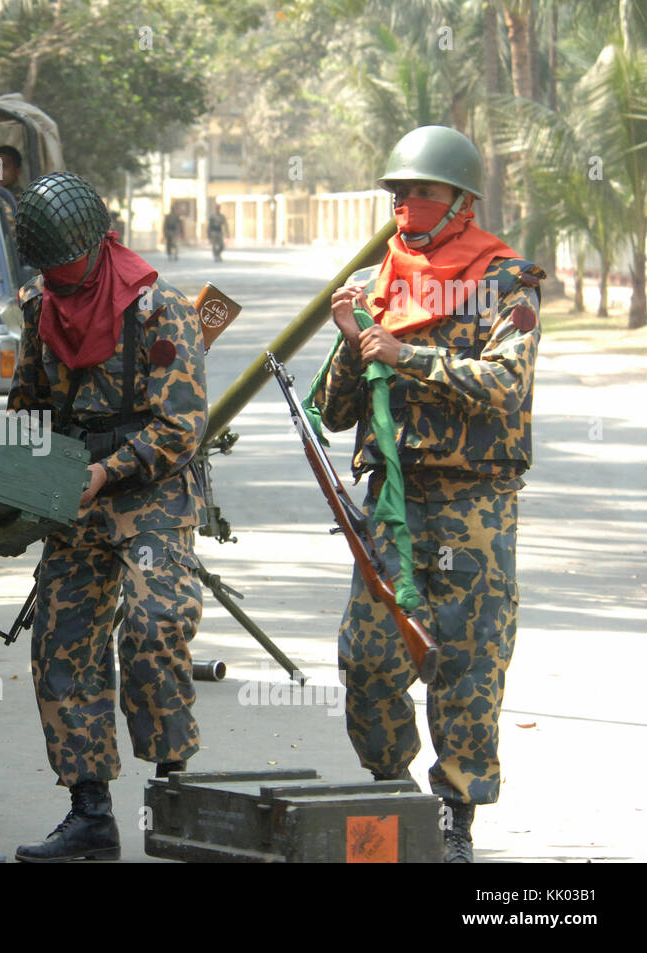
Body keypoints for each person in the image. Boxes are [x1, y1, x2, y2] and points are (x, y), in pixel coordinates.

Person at [312, 125, 544, 863]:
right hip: (394, 505)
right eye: (400, 192)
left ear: (460, 201)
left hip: (474, 505)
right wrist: (354, 335)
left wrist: (408, 353)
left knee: (468, 665)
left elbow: (506, 386)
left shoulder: (505, 281)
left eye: (424, 191)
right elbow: (335, 409)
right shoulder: (382, 281)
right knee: (368, 659)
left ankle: (454, 816)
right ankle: (392, 787)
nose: (408, 205)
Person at [7, 172, 208, 862]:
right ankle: (90, 814)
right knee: (61, 647)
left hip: (147, 488)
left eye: (69, 277)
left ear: (97, 247)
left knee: (156, 625)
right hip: (74, 494)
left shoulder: (160, 310)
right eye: (49, 280)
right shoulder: (39, 307)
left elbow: (182, 428)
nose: (61, 291)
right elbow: (27, 411)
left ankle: (177, 793)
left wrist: (106, 472)